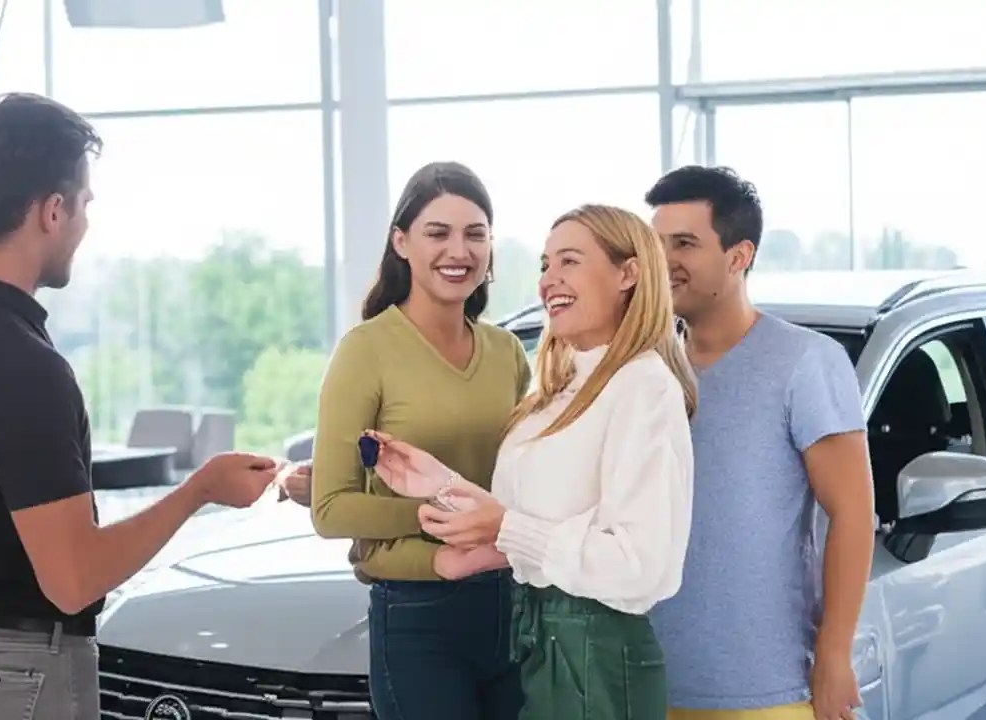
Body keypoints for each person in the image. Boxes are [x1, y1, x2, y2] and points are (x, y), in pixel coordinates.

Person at [0, 93, 280, 719]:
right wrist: (200, 489)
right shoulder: (25, 367)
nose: (87, 222)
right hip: (16, 675)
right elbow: (74, 579)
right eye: (85, 203)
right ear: (52, 211)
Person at [372, 204, 698, 719]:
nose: (549, 280)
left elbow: (643, 567)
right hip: (533, 645)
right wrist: (443, 484)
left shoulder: (644, 386)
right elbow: (528, 524)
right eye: (545, 265)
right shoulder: (559, 389)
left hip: (597, 660)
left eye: (569, 261)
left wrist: (502, 525)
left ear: (628, 273)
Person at [643, 165, 874, 720]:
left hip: (768, 689)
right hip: (647, 681)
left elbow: (853, 513)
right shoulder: (645, 370)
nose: (664, 260)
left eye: (685, 243)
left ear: (739, 255)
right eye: (655, 244)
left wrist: (834, 654)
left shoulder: (805, 362)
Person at [309, 161, 531, 720]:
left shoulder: (507, 353)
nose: (459, 250)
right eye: (438, 233)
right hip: (419, 616)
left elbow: (529, 487)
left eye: (474, 234)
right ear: (401, 242)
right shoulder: (367, 350)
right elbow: (331, 510)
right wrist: (452, 519)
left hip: (517, 608)